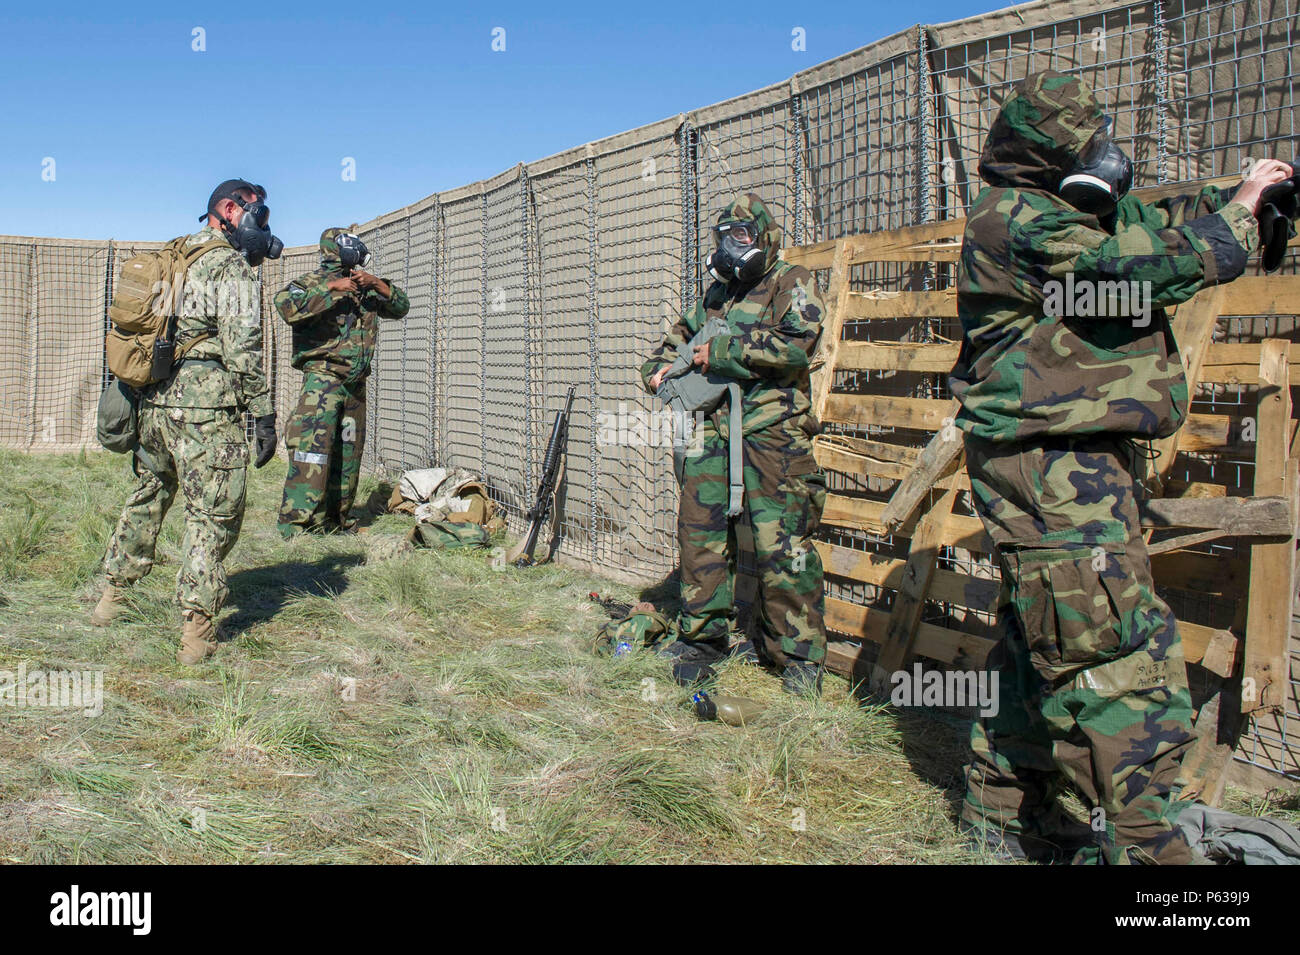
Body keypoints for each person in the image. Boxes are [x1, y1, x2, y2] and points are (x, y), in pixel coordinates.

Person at [948, 70, 1294, 863]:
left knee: (1045, 637)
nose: (1105, 158)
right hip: (1048, 464)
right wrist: (1236, 222)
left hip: (1070, 463)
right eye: (1085, 145)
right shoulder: (1016, 220)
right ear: (1046, 160)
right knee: (1114, 653)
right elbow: (1131, 267)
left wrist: (1252, 195)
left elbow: (1153, 216)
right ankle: (1152, 854)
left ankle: (1005, 817)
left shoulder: (1066, 208)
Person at [641, 193, 829, 695]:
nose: (732, 248)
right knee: (699, 536)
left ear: (764, 237)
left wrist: (720, 351)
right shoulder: (716, 292)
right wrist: (657, 370)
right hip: (711, 431)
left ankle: (797, 658)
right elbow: (674, 340)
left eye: (741, 237)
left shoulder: (793, 281)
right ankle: (704, 638)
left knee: (781, 543)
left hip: (772, 433)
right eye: (724, 239)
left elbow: (797, 344)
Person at [92, 179, 280, 665]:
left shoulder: (173, 256)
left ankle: (112, 598)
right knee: (212, 512)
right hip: (204, 409)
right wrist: (262, 412)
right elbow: (243, 346)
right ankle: (196, 634)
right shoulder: (229, 266)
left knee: (149, 494)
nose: (262, 223)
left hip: (153, 402)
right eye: (257, 212)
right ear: (228, 210)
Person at [273, 228, 409, 536]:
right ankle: (295, 525)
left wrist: (379, 284)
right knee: (312, 451)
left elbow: (401, 307)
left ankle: (337, 521)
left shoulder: (366, 287)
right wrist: (334, 288)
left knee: (348, 453)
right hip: (323, 381)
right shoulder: (311, 283)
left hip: (355, 385)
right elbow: (286, 306)